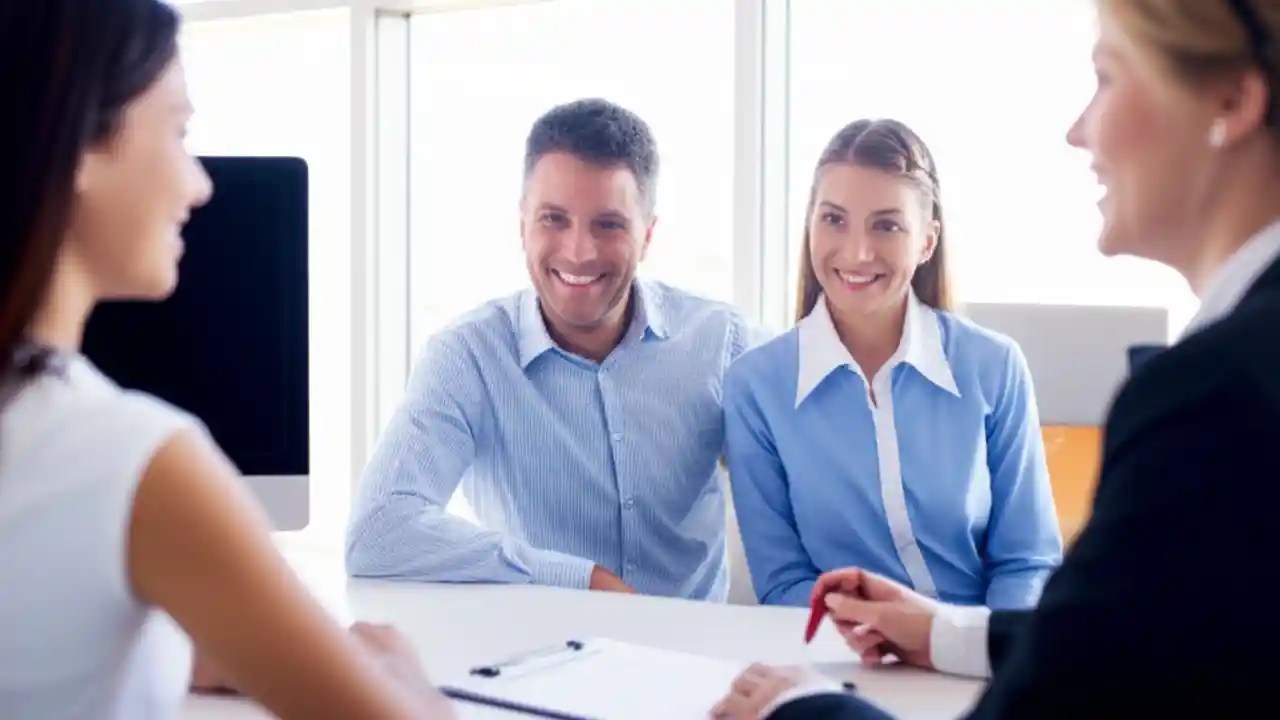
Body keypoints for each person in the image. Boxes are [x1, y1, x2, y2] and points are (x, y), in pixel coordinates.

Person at [714, 0, 1280, 716]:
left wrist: (795, 707)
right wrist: (943, 634)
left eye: (1107, 77)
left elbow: (1067, 634)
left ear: (1232, 102)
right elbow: (1123, 645)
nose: (1078, 131)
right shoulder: (1233, 369)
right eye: (834, 219)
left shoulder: (1210, 392)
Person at [0, 2, 454, 717]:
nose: (199, 183)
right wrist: (407, 678)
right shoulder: (132, 458)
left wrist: (186, 652)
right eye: (178, 133)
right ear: (81, 144)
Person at [346, 98, 758, 601]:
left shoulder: (721, 340)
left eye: (608, 224)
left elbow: (804, 494)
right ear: (522, 225)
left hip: (700, 665)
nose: (578, 251)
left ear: (647, 235)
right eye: (554, 219)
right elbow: (378, 533)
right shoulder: (467, 356)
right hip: (538, 662)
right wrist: (579, 579)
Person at [724, 119, 1062, 610]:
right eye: (833, 219)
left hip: (982, 655)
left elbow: (1026, 561)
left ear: (927, 240)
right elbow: (783, 582)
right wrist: (886, 641)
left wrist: (971, 652)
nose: (857, 253)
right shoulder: (756, 386)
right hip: (840, 654)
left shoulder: (993, 366)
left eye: (887, 225)